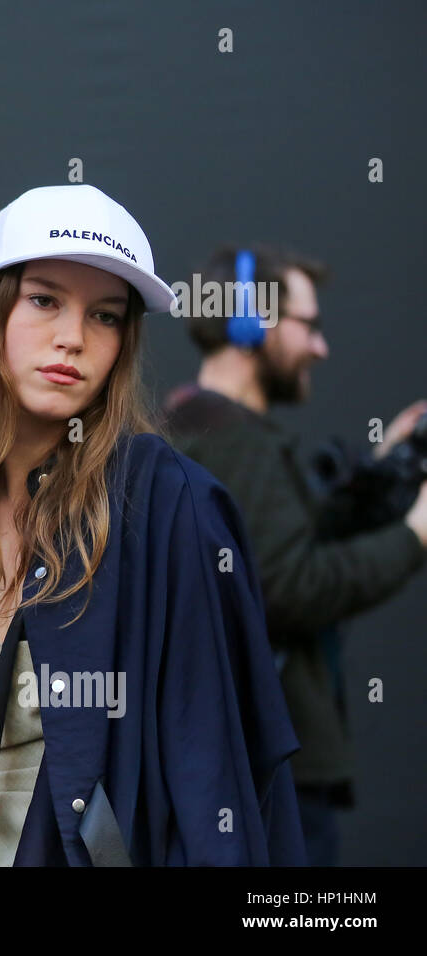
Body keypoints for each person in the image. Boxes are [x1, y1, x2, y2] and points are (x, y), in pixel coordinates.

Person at [0, 184, 307, 866]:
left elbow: (215, 786)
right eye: (44, 300)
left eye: (107, 316)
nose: (73, 337)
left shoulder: (168, 505)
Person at [163, 243, 427, 865]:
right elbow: (288, 587)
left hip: (257, 764)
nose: (320, 348)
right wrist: (416, 534)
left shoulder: (204, 429)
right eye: (308, 326)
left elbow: (275, 552)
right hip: (274, 773)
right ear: (250, 321)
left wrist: (383, 478)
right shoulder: (234, 443)